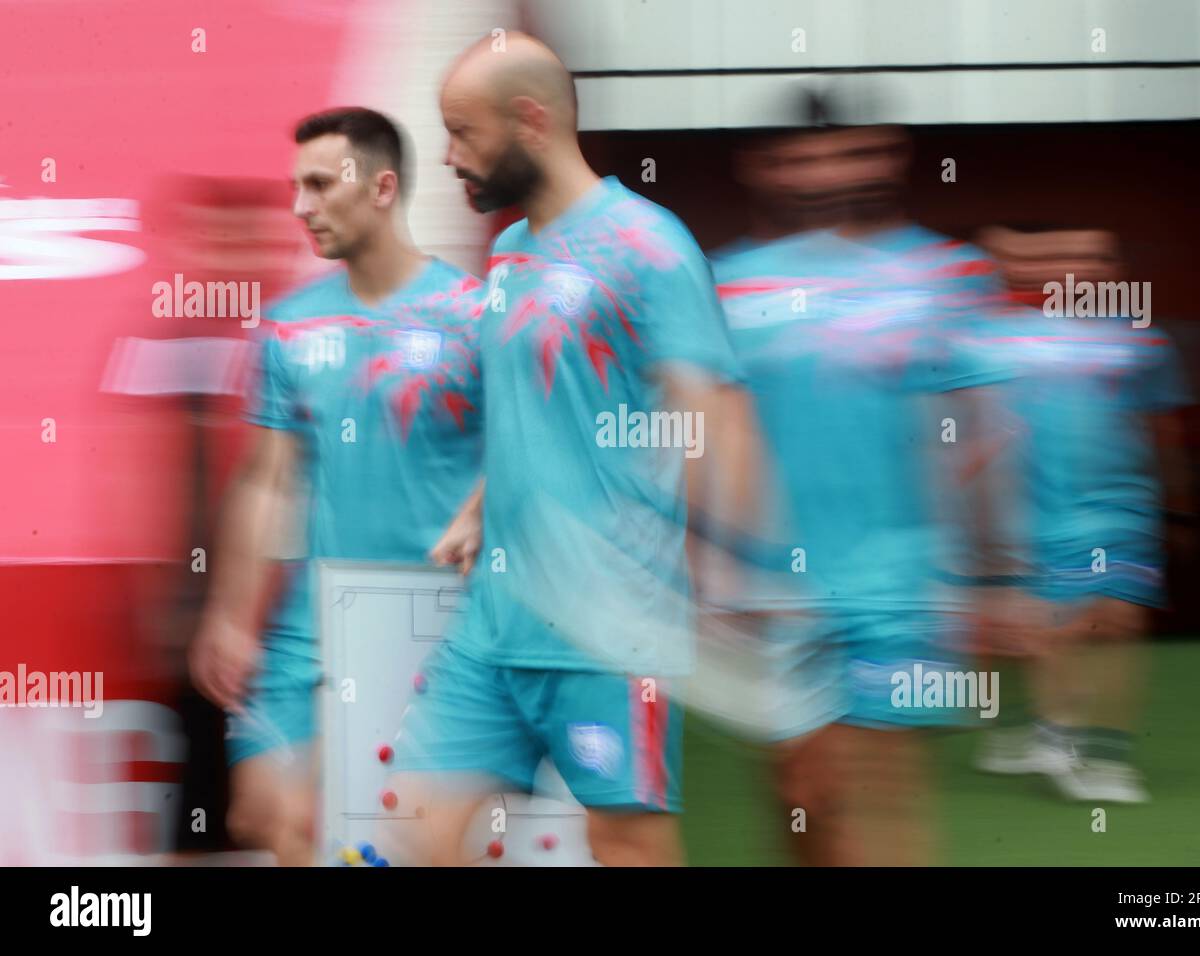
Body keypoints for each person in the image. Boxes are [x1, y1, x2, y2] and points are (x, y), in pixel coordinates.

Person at [385, 32, 758, 867]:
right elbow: (536, 410)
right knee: (414, 828)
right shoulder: (510, 255)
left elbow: (714, 417)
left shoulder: (651, 248)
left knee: (627, 845)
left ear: (530, 120)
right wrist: (480, 508)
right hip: (494, 621)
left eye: (463, 131)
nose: (449, 156)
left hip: (609, 626)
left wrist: (726, 575)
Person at [711, 80, 1011, 865]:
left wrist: (987, 574)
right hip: (777, 588)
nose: (822, 176)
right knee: (804, 796)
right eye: (799, 160)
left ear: (885, 159)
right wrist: (709, 566)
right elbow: (703, 436)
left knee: (881, 788)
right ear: (761, 169)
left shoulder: (941, 275)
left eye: (845, 154)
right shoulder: (723, 283)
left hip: (901, 583)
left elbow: (978, 431)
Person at [189, 107, 484, 864]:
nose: (300, 208)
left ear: (382, 188)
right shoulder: (288, 328)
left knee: (392, 841)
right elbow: (265, 481)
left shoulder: (473, 316)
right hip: (311, 627)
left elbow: (519, 463)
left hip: (433, 625)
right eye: (296, 187)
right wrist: (229, 614)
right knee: (269, 819)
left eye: (320, 186)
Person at [968, 224, 1192, 803]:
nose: (1088, 269)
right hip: (1038, 513)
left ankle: (1102, 755)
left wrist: (1178, 506)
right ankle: (1052, 733)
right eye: (1070, 257)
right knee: (1055, 631)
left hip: (1120, 511)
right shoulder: (994, 339)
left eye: (1099, 257)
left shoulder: (1140, 341)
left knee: (1118, 621)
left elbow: (1159, 428)